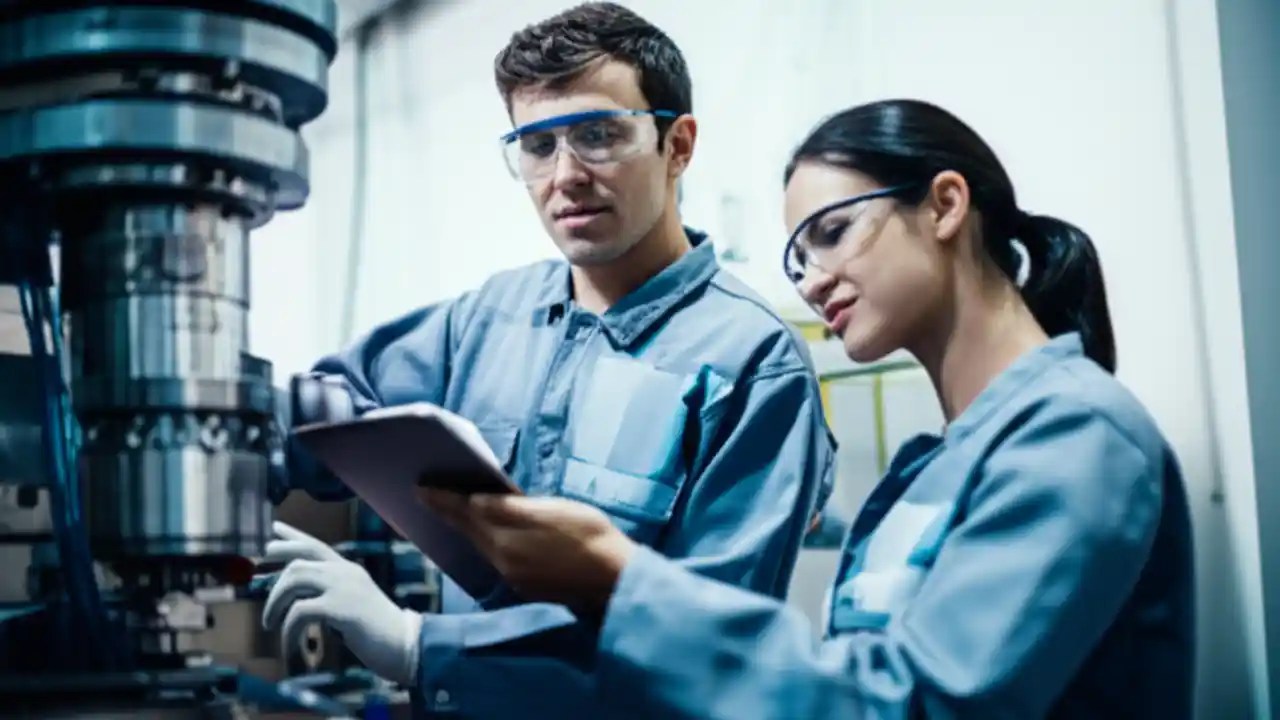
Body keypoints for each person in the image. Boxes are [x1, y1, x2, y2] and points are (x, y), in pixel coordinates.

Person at [423, 99, 1197, 719]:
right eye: (799, 258)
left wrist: (621, 580)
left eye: (833, 232)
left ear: (945, 204)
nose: (813, 279)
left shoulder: (1074, 435)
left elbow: (914, 703)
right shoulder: (931, 468)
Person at [259, 3, 835, 718]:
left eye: (598, 136)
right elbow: (323, 412)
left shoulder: (753, 363)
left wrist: (418, 646)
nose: (565, 176)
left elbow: (708, 654)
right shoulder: (486, 319)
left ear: (677, 145)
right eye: (537, 145)